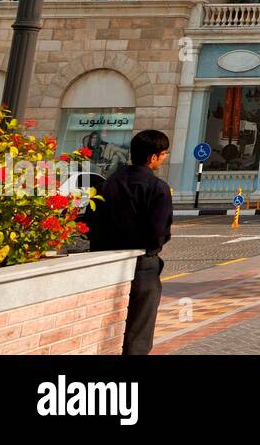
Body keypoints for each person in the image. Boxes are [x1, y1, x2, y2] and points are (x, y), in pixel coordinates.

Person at [88, 129, 173, 355]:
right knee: (139, 329)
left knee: (104, 319)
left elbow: (91, 221)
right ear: (153, 157)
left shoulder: (107, 184)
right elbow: (158, 232)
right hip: (142, 262)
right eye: (163, 154)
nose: (163, 158)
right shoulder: (158, 188)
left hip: (105, 260)